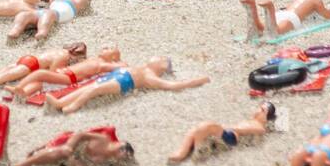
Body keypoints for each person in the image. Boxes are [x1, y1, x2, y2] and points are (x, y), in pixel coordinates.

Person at [45, 57, 209, 115]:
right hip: (117, 76)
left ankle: (73, 106)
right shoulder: (143, 68)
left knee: (95, 90)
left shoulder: (149, 76)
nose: (156, 58)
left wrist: (198, 80)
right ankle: (61, 102)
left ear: (162, 67)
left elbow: (173, 86)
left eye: (161, 59)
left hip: (123, 82)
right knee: (88, 87)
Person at [14, 126, 133, 166]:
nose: (123, 154)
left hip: (75, 165)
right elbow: (81, 134)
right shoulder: (103, 140)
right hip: (70, 151)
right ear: (120, 145)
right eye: (123, 150)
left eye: (125, 155)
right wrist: (69, 146)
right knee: (61, 152)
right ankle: (23, 164)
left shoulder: (110, 163)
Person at [168, 101, 277, 163]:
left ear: (265, 114)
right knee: (196, 128)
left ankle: (199, 152)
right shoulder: (252, 121)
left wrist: (223, 127)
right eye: (259, 107)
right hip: (228, 134)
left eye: (261, 109)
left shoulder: (259, 127)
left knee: (208, 125)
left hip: (231, 138)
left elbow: (241, 130)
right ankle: (182, 152)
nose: (257, 110)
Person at [16, 46, 126, 101]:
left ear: (113, 57)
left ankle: (19, 86)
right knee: (40, 83)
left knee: (40, 74)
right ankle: (23, 92)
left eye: (109, 49)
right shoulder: (94, 59)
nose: (105, 48)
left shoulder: (103, 65)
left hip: (69, 77)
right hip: (66, 73)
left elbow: (123, 66)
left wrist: (119, 61)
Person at [0, 42, 88, 94]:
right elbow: (53, 73)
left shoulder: (60, 51)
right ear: (76, 55)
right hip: (32, 65)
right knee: (5, 77)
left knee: (7, 72)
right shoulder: (64, 57)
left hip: (30, 59)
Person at [8, 0, 92, 39]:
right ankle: (16, 29)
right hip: (44, 13)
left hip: (55, 15)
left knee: (49, 14)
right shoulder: (56, 1)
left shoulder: (76, 2)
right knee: (24, 14)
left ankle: (42, 31)